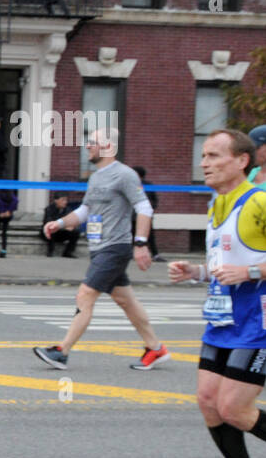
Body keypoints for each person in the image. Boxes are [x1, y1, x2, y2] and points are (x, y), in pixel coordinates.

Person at [167, 129, 266, 458]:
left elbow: (246, 268)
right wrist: (196, 272)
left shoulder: (258, 201)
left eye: (213, 156)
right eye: (203, 155)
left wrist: (251, 274)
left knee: (235, 410)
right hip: (222, 319)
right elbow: (226, 264)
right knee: (209, 403)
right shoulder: (216, 204)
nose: (203, 162)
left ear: (242, 161)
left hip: (258, 321)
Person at [34, 128, 169, 371]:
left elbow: (145, 208)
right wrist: (61, 223)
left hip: (115, 247)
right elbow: (86, 210)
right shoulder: (95, 177)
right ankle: (156, 348)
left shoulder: (125, 175)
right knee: (125, 300)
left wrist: (140, 243)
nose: (88, 146)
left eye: (92, 142)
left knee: (85, 295)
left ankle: (61, 352)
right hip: (99, 246)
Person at [131, 165, 160, 261]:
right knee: (131, 235)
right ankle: (131, 253)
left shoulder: (146, 185)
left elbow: (154, 200)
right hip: (133, 216)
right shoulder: (131, 184)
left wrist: (149, 209)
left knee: (149, 235)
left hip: (144, 217)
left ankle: (154, 254)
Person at [42, 193, 79, 257]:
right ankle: (50, 251)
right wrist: (62, 225)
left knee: (76, 232)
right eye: (63, 200)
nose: (65, 202)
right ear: (56, 200)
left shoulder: (68, 209)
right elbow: (48, 222)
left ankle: (68, 252)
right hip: (50, 233)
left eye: (66, 200)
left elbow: (71, 221)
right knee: (51, 229)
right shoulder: (49, 209)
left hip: (62, 233)